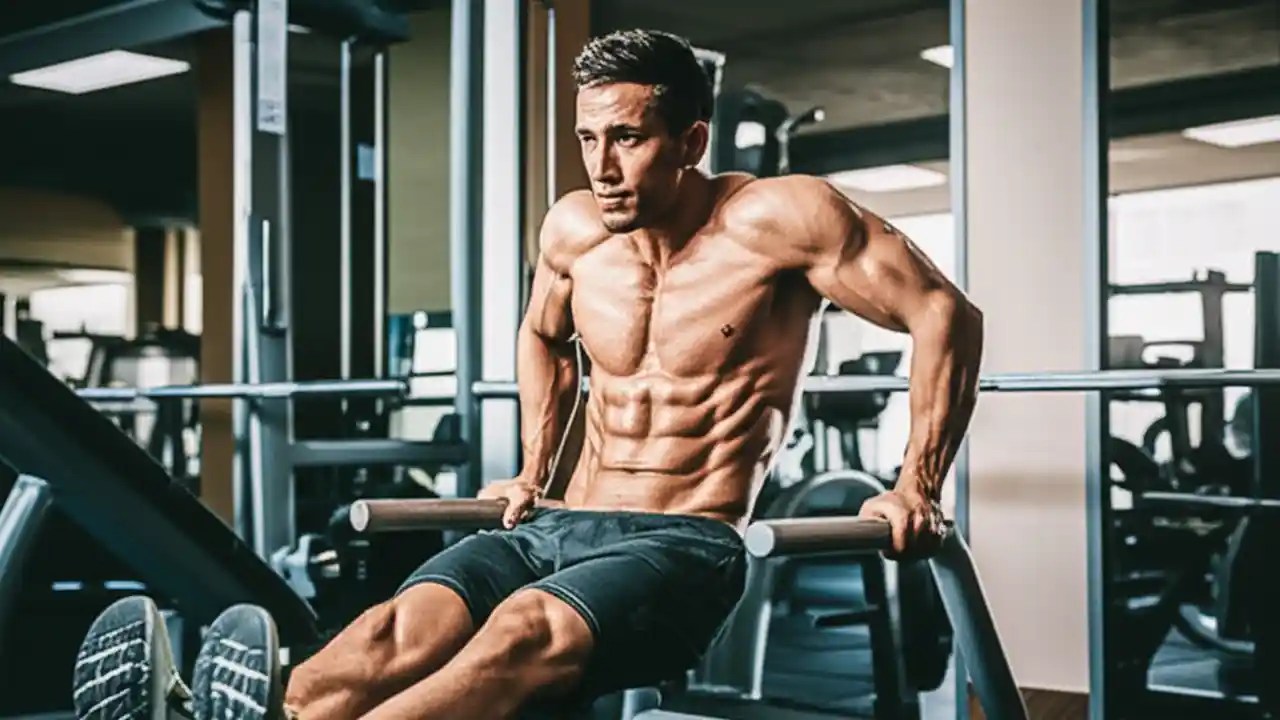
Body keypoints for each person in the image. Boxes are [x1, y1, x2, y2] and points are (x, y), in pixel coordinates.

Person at [71, 28, 983, 720]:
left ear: (691, 139)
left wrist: (916, 482)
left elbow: (944, 313)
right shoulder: (574, 230)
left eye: (627, 138)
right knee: (399, 629)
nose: (603, 165)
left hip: (684, 542)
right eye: (589, 140)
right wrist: (531, 471)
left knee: (518, 634)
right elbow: (541, 337)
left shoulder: (782, 219)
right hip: (554, 521)